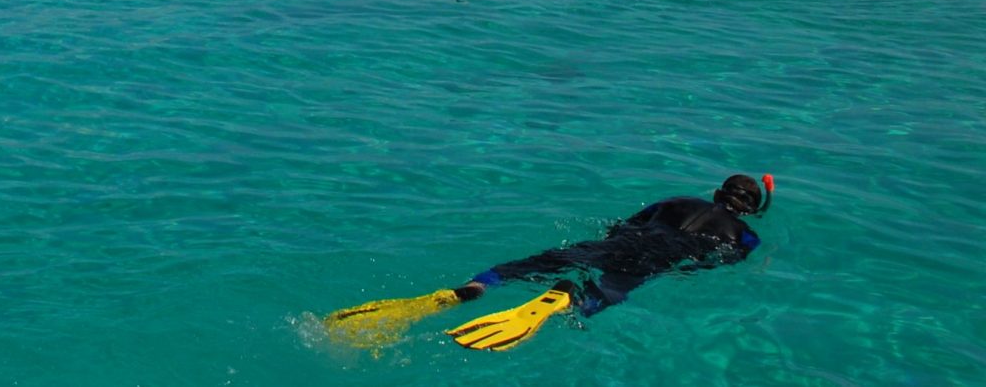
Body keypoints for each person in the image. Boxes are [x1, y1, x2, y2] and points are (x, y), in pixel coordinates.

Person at [322, 174, 773, 352]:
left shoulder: (676, 199)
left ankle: (472, 289)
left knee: (535, 262)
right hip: (656, 256)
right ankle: (562, 300)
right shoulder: (745, 233)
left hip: (621, 241)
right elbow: (722, 260)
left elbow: (621, 225)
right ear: (747, 208)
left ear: (716, 194)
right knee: (608, 289)